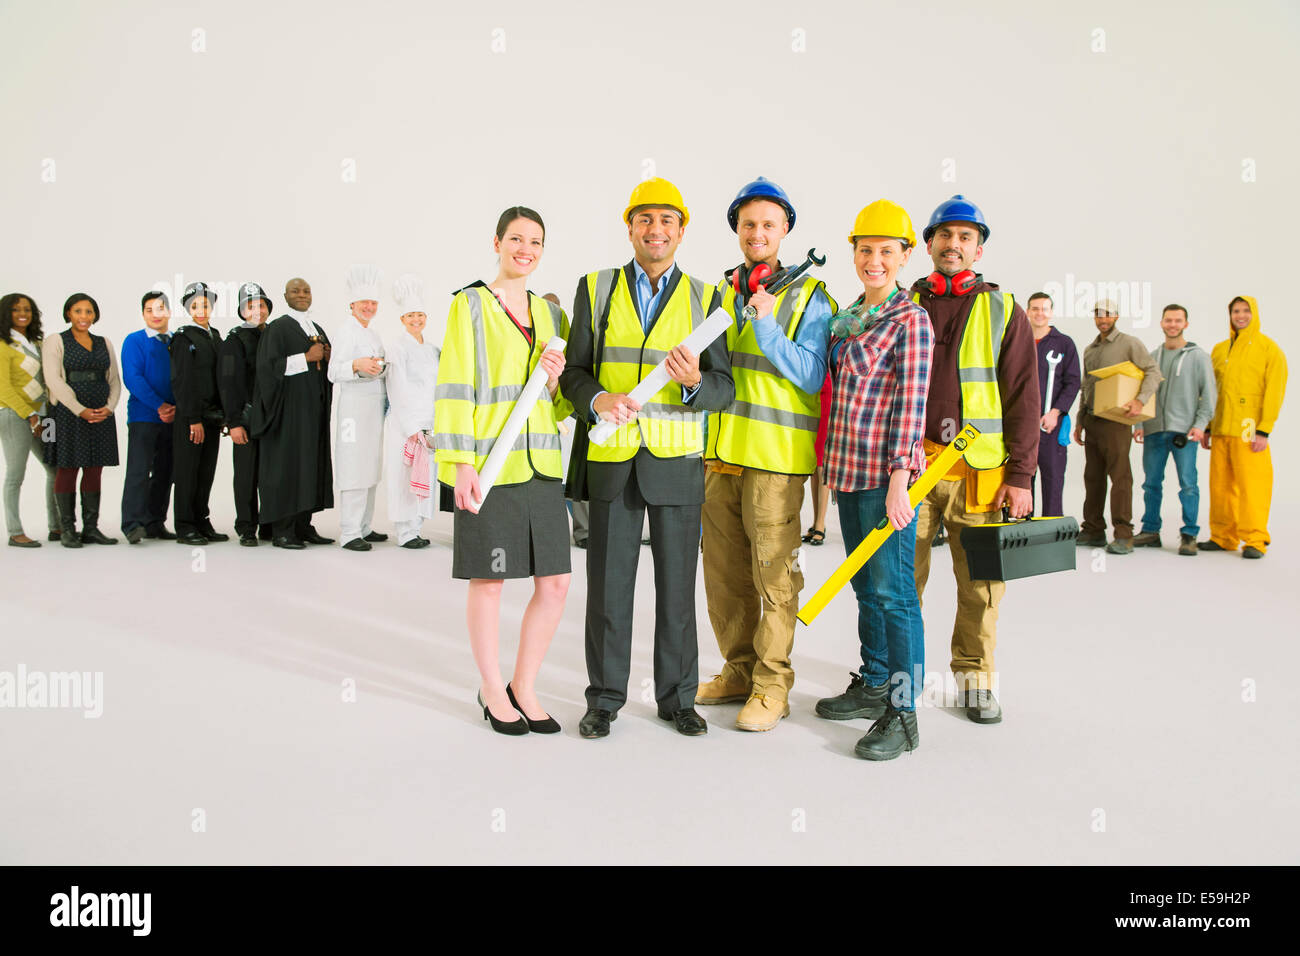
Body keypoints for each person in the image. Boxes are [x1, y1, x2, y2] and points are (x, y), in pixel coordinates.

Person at [560, 178, 735, 740]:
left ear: (682, 230)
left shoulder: (709, 300)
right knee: (609, 591)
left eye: (666, 220)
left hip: (677, 466)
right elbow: (573, 371)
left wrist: (691, 386)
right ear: (629, 226)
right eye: (644, 219)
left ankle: (678, 698)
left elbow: (723, 386)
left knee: (677, 591)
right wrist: (594, 399)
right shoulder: (595, 287)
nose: (655, 230)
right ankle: (604, 699)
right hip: (612, 460)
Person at [861, 195, 1036, 724]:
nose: (953, 245)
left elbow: (1025, 395)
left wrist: (1022, 476)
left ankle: (975, 678)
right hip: (910, 469)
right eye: (944, 236)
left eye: (965, 237)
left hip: (979, 471)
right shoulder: (897, 301)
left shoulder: (1004, 310)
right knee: (896, 581)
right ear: (928, 244)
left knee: (980, 583)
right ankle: (895, 680)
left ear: (978, 249)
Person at [698, 177, 836, 732]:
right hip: (720, 457)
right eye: (748, 223)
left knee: (773, 578)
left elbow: (811, 374)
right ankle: (737, 669)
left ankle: (771, 684)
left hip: (775, 460)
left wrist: (766, 324)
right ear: (736, 230)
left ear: (785, 232)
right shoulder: (717, 293)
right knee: (725, 576)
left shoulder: (810, 297)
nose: (757, 233)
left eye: (768, 225)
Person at [433, 206, 571, 736]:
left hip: (540, 465)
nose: (526, 249)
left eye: (535, 241)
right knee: (489, 581)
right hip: (489, 467)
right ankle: (492, 688)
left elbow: (555, 406)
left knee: (555, 582)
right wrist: (459, 463)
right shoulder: (468, 306)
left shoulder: (552, 317)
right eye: (516, 238)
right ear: (496, 242)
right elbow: (453, 387)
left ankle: (524, 685)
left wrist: (556, 385)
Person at [814, 201, 931, 759]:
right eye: (866, 250)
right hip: (848, 472)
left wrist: (900, 478)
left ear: (906, 256)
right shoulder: (849, 317)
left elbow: (911, 407)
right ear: (854, 253)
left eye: (887, 251)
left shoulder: (911, 321)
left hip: (887, 479)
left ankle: (904, 714)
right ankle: (876, 682)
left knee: (896, 595)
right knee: (866, 588)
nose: (875, 260)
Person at [250, 277, 334, 549]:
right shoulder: (278, 328)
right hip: (286, 413)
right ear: (285, 297)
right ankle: (282, 530)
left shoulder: (316, 327)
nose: (302, 294)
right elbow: (266, 368)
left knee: (308, 465)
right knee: (287, 467)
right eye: (295, 291)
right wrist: (306, 358)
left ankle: (302, 524)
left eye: (306, 290)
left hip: (312, 411)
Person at [1072, 298, 1162, 554]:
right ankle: (1093, 530)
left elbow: (1152, 371)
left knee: (1120, 477)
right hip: (1092, 420)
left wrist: (1140, 400)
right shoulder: (1090, 349)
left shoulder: (1129, 344)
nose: (1103, 319)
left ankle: (1123, 534)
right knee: (1093, 477)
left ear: (1117, 316)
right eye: (1098, 315)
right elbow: (1085, 387)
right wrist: (1080, 421)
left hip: (1116, 422)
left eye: (1108, 315)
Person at [1201, 295, 1288, 558]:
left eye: (1245, 311)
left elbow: (1275, 391)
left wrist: (1264, 429)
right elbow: (1210, 391)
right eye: (1235, 311)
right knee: (1220, 487)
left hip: (1249, 429)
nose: (1240, 316)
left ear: (1254, 313)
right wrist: (1207, 426)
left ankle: (1255, 539)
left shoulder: (1268, 349)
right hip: (1221, 428)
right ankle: (1223, 536)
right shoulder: (1219, 350)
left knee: (1253, 487)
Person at [1133, 304, 1216, 556]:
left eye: (1177, 320)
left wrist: (1200, 425)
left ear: (1185, 324)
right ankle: (1150, 531)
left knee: (1188, 485)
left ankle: (1189, 534)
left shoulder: (1198, 356)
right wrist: (1139, 424)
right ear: (1161, 323)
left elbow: (1209, 395)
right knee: (1150, 484)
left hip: (1185, 433)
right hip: (1154, 430)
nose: (1172, 324)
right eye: (1168, 320)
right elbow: (1140, 391)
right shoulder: (1152, 356)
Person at [41, 293, 120, 547]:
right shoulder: (56, 340)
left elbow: (114, 379)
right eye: (78, 311)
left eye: (88, 311)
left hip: (101, 413)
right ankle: (67, 529)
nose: (83, 316)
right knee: (68, 467)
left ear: (95, 315)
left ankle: (91, 528)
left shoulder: (104, 342)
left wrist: (109, 407)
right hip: (67, 414)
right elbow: (53, 380)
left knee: (95, 467)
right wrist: (79, 409)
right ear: (68, 314)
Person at [330, 264, 388, 551]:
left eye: (373, 302)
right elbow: (332, 371)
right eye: (364, 302)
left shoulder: (374, 334)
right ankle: (350, 532)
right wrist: (355, 364)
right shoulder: (346, 331)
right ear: (352, 304)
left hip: (373, 409)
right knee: (353, 466)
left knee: (371, 466)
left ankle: (365, 526)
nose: (369, 307)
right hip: (353, 409)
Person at [385, 273, 441, 549]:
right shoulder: (397, 348)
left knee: (424, 476)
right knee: (404, 475)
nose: (416, 320)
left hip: (430, 424)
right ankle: (405, 532)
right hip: (406, 425)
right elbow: (398, 389)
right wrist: (414, 428)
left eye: (420, 314)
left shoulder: (432, 350)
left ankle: (416, 528)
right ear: (402, 320)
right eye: (410, 316)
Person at [170, 282, 229, 546]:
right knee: (188, 472)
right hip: (191, 417)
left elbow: (223, 378)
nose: (201, 309)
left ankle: (201, 520)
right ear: (188, 308)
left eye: (205, 304)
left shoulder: (216, 336)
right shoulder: (184, 338)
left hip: (213, 417)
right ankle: (185, 525)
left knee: (206, 471)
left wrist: (225, 414)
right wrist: (193, 418)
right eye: (195, 305)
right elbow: (182, 381)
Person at [0, 293, 58, 546]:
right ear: (6, 313)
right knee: (16, 474)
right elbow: (3, 387)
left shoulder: (38, 341)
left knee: (56, 469)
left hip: (45, 415)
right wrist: (29, 414)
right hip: (15, 415)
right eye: (16, 309)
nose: (23, 313)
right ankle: (15, 532)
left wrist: (44, 414)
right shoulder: (3, 344)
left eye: (27, 309)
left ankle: (56, 527)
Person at [119, 291, 177, 544]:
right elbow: (133, 378)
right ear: (143, 314)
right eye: (150, 310)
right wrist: (160, 405)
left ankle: (155, 522)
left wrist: (175, 408)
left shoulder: (177, 341)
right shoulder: (135, 341)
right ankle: (132, 523)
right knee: (139, 471)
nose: (156, 314)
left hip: (174, 418)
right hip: (144, 416)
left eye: (161, 309)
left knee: (166, 472)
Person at [220, 283, 274, 546]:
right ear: (242, 311)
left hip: (272, 417)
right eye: (250, 305)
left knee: (270, 473)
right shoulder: (235, 339)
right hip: (246, 417)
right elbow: (228, 382)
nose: (257, 310)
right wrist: (233, 422)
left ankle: (268, 524)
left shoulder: (273, 335)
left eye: (261, 305)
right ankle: (246, 527)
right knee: (246, 474)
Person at [1026, 292, 1080, 517]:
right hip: (1022, 426)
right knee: (1022, 480)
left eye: (1044, 309)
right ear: (1027, 311)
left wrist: (1055, 413)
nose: (1040, 313)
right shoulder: (1018, 339)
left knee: (1053, 479)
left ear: (1051, 313)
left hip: (1050, 425)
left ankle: (1050, 530)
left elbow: (1073, 381)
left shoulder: (1064, 344)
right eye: (1035, 308)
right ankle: (1022, 530)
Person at [801, 372, 833, 547]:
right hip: (812, 390)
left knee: (822, 461)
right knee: (815, 465)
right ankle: (816, 522)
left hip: (828, 390)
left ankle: (820, 523)